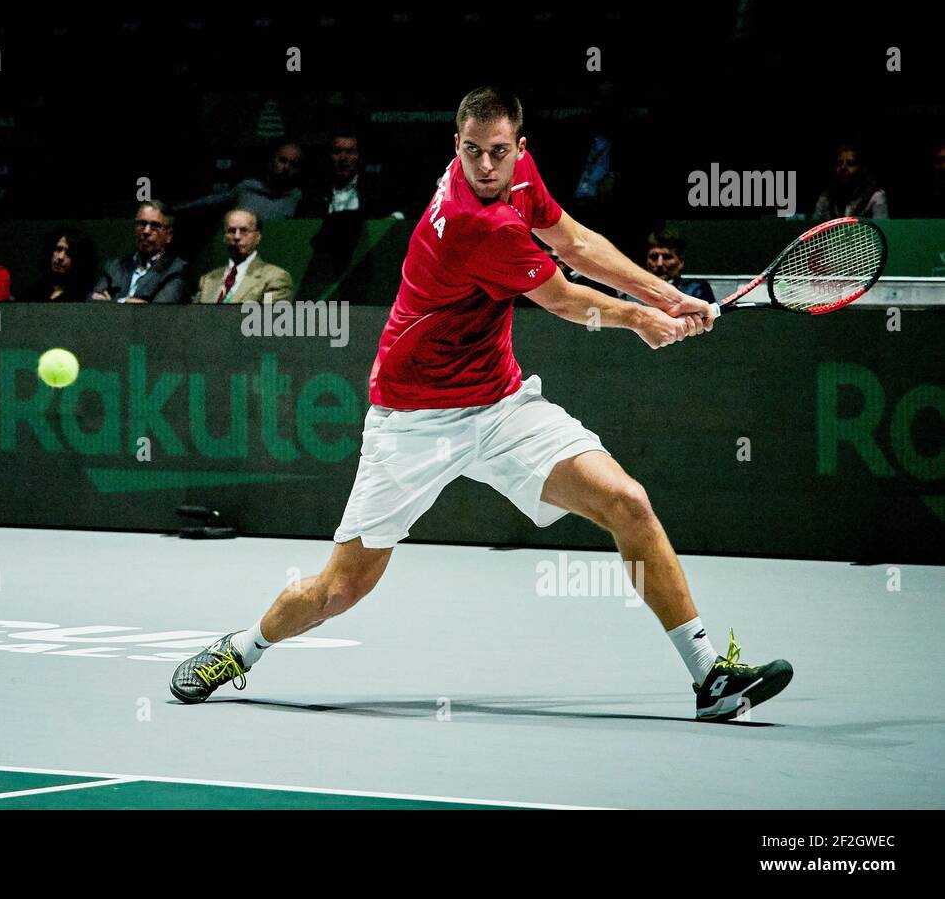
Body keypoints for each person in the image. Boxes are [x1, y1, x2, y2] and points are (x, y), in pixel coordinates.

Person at [171, 86, 793, 722]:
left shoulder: (518, 177)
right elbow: (565, 299)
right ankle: (241, 651)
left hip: (498, 404)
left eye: (499, 151)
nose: (487, 166)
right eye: (473, 152)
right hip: (412, 420)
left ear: (520, 148)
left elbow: (575, 243)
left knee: (628, 502)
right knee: (340, 589)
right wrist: (644, 317)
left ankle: (709, 677)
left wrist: (666, 295)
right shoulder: (474, 224)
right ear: (456, 148)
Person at [176, 141, 305, 221]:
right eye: (282, 160)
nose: (287, 167)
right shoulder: (247, 187)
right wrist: (177, 208)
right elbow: (213, 201)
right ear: (272, 161)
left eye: (293, 164)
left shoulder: (297, 197)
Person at [90, 202, 189, 304]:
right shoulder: (115, 267)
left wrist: (111, 302)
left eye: (155, 226)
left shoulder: (176, 269)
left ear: (168, 236)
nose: (146, 231)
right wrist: (126, 302)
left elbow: (158, 311)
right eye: (142, 224)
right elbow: (92, 303)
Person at [193, 209, 293, 304]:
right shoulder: (208, 280)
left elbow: (268, 319)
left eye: (244, 230)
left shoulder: (274, 278)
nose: (237, 237)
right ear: (224, 237)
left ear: (257, 237)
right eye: (231, 231)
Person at [618, 229, 715, 304]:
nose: (659, 264)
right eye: (654, 257)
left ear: (681, 262)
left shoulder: (697, 291)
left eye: (667, 257)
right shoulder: (631, 293)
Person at [19, 225, 96, 302]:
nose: (61, 257)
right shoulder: (35, 290)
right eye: (58, 249)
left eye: (69, 253)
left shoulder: (85, 296)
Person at [812, 145, 889, 220]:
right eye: (839, 163)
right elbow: (814, 227)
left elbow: (883, 229)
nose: (843, 168)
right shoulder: (826, 197)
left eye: (850, 164)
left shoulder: (876, 196)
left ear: (861, 168)